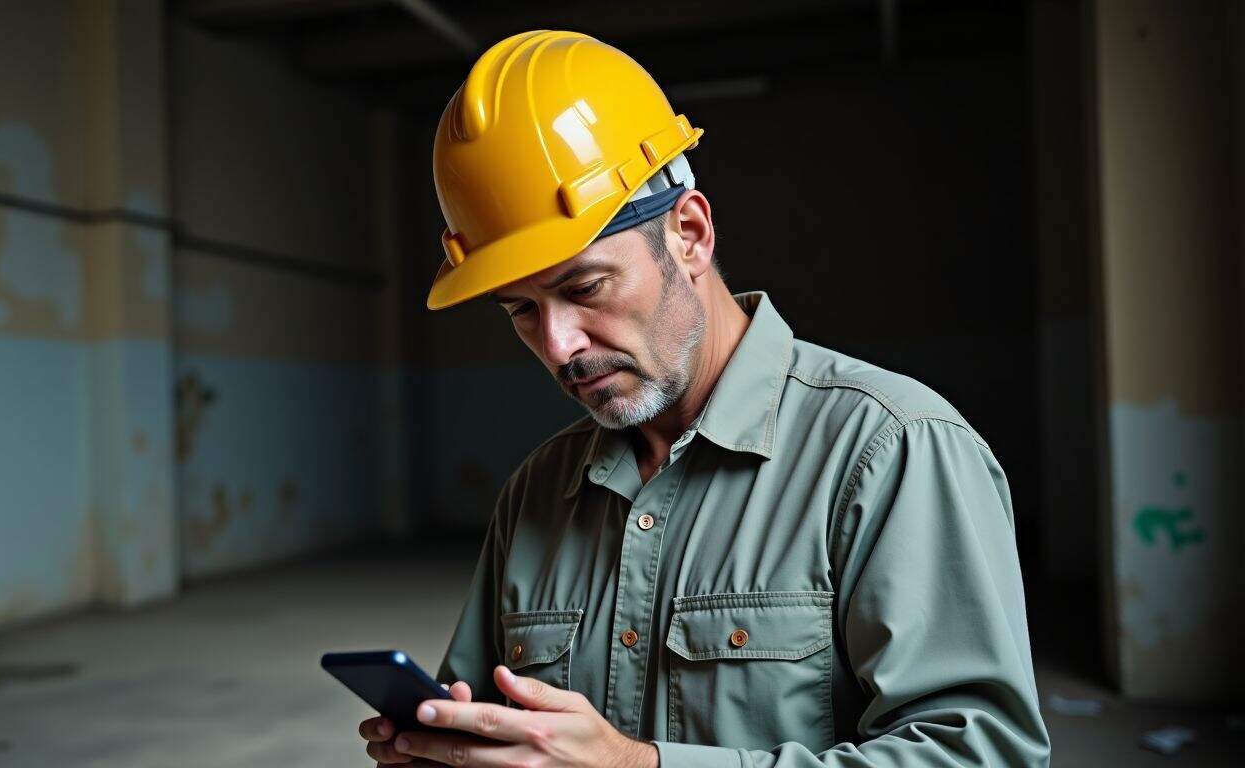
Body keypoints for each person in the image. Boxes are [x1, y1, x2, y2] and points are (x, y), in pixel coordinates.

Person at [360, 30, 1050, 768]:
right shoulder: (539, 489)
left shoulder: (891, 451)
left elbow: (984, 755)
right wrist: (451, 752)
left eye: (584, 288)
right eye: (521, 311)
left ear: (689, 234)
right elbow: (493, 722)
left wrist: (638, 766)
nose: (558, 344)